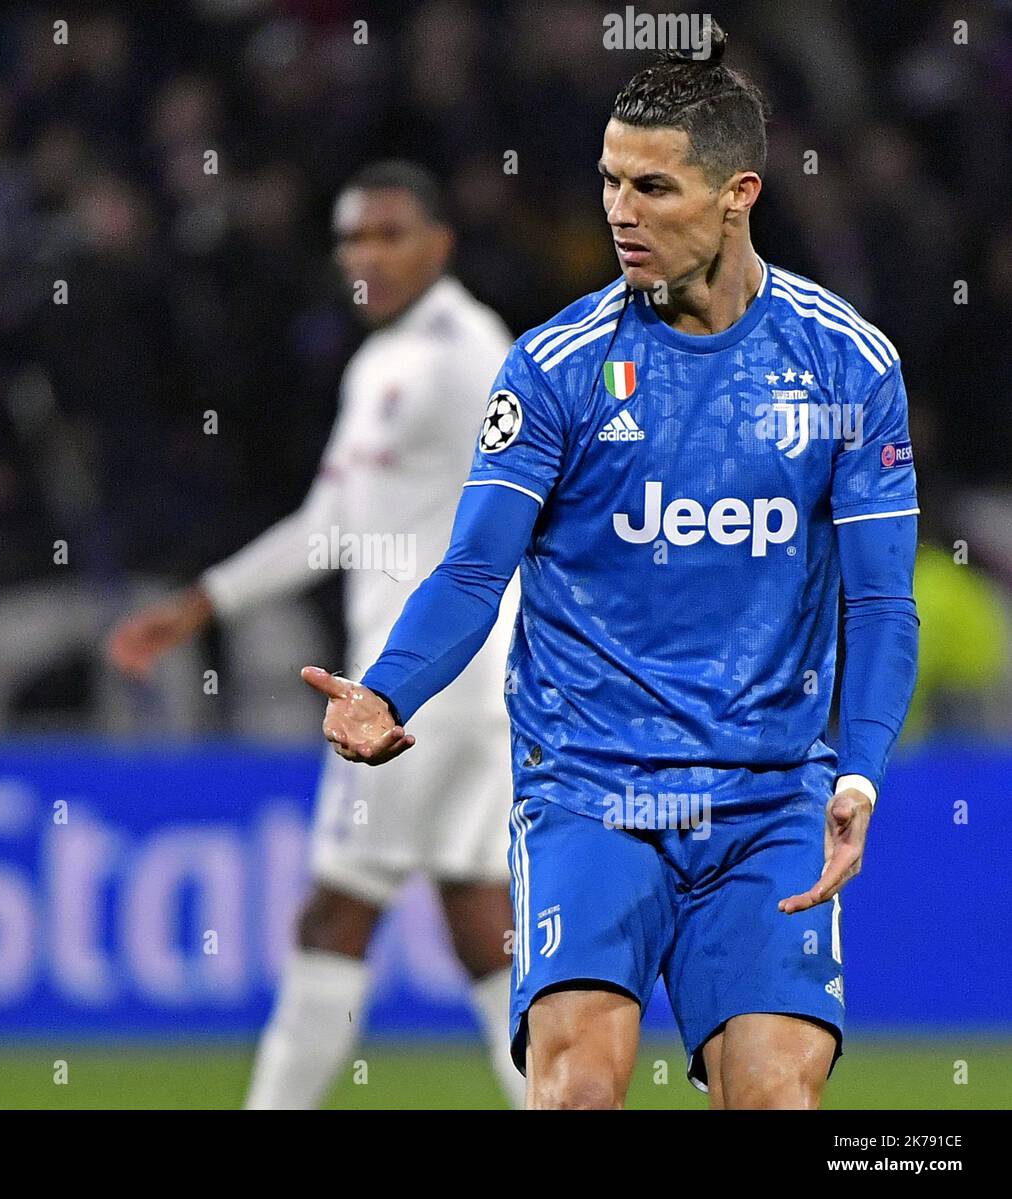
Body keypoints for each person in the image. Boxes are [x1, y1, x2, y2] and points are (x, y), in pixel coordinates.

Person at [303, 27, 920, 1109]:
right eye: (607, 182)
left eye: (652, 186)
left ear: (737, 193)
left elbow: (878, 600)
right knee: (579, 1087)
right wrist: (386, 687)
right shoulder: (555, 368)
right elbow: (470, 571)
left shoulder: (846, 364)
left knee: (775, 1097)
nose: (619, 212)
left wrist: (857, 771)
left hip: (770, 797)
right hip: (591, 788)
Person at [109, 161, 525, 1109]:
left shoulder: (467, 358)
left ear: (438, 244)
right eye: (350, 238)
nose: (364, 256)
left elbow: (543, 497)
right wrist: (203, 603)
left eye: (387, 234)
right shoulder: (385, 359)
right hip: (460, 682)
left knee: (338, 908)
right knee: (476, 914)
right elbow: (329, 523)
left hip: (421, 684)